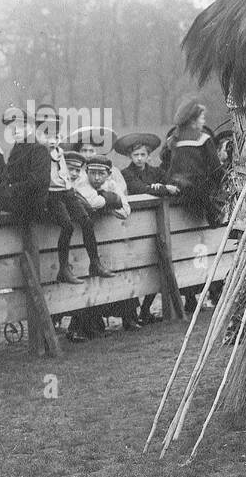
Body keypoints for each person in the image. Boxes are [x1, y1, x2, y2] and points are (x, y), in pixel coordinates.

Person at [44, 121, 115, 284]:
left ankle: (95, 263)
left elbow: (65, 177)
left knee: (86, 221)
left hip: (66, 191)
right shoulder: (41, 154)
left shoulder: (60, 153)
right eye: (48, 137)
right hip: (51, 194)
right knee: (67, 226)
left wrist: (73, 194)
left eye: (55, 137)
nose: (52, 141)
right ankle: (63, 269)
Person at [115, 132, 173, 324]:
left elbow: (171, 182)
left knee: (156, 265)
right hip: (134, 225)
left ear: (148, 156)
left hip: (154, 225)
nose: (139, 159)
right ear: (130, 156)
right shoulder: (126, 174)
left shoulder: (155, 171)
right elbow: (139, 188)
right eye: (135, 155)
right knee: (135, 267)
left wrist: (162, 186)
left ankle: (146, 309)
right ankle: (131, 313)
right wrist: (160, 188)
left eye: (143, 155)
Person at [161, 100, 224, 226]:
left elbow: (164, 159)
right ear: (193, 121)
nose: (204, 121)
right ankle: (215, 216)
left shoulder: (173, 139)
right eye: (202, 118)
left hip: (176, 188)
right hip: (200, 189)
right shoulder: (203, 139)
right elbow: (216, 169)